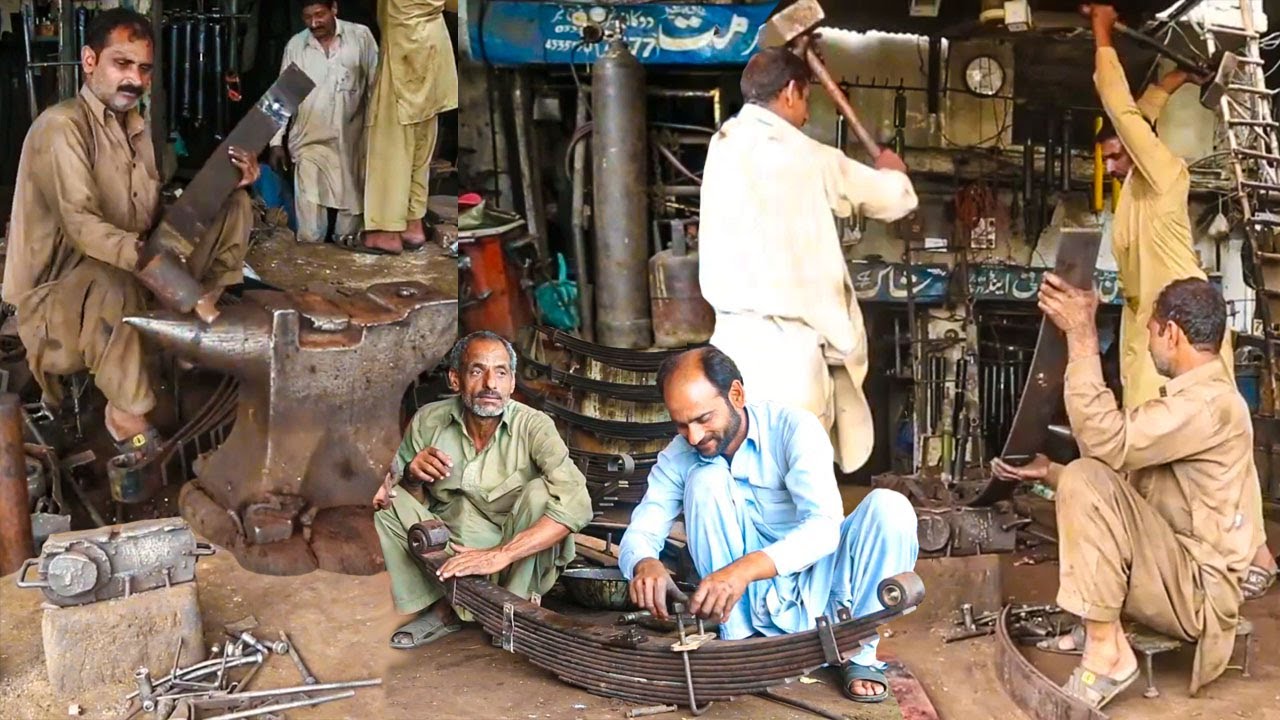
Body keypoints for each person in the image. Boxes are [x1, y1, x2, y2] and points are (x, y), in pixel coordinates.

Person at [992, 276, 1264, 709]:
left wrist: (1081, 336)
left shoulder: (1208, 405)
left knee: (1087, 473)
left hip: (1195, 594)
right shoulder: (1204, 401)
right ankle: (1100, 626)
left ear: (1170, 332)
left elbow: (1107, 442)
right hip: (1178, 574)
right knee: (1080, 476)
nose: (1150, 343)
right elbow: (1128, 499)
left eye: (1151, 331)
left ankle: (1108, 654)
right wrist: (1051, 473)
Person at [1083, 1, 1275, 601]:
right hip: (1147, 325)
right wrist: (1172, 80)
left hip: (1184, 326)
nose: (1112, 163)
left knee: (1142, 445)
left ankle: (1177, 565)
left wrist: (1102, 32)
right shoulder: (1132, 192)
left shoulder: (1164, 173)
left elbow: (1125, 113)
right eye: (1109, 156)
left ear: (1138, 149)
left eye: (1118, 154)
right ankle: (1233, 554)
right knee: (1150, 444)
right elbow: (1136, 114)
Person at [3, 8, 256, 463]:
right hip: (55, 307)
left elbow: (149, 215)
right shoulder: (61, 128)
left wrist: (222, 185)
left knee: (233, 205)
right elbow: (85, 230)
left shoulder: (135, 127)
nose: (134, 79)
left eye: (143, 68)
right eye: (122, 64)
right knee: (112, 277)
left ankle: (187, 340)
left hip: (129, 274)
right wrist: (180, 287)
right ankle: (125, 414)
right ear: (89, 61)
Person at [618, 347, 919, 704]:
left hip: (823, 589)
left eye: (703, 419)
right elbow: (641, 530)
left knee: (891, 507)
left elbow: (824, 527)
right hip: (740, 607)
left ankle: (857, 652)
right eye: (682, 424)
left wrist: (743, 571)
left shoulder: (794, 429)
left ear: (736, 395)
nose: (694, 437)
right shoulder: (680, 454)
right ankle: (742, 645)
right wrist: (645, 562)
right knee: (705, 480)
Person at [698, 47, 918, 476]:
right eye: (806, 101)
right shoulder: (804, 155)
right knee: (796, 486)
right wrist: (893, 170)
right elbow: (893, 200)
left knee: (739, 474)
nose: (805, 114)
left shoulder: (722, 146)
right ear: (792, 91)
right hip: (788, 355)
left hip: (730, 348)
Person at [373, 331, 593, 649]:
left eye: (501, 372)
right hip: (451, 551)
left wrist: (500, 555)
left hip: (512, 554)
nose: (490, 384)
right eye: (477, 371)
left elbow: (579, 504)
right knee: (388, 500)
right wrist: (412, 478)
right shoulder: (427, 421)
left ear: (512, 383)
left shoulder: (535, 427)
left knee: (542, 494)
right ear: (455, 379)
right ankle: (444, 607)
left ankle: (512, 611)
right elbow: (411, 502)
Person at [268, 1, 379, 244]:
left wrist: (379, 134)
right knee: (309, 230)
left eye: (319, 15)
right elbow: (282, 97)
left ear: (334, 9)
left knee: (350, 225)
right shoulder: (297, 46)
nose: (314, 23)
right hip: (309, 142)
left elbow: (376, 89)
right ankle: (309, 274)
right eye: (307, 17)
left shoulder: (360, 37)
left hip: (351, 142)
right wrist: (276, 142)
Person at [359, 0, 457, 255]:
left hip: (405, 48)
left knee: (390, 143)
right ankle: (412, 225)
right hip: (434, 46)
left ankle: (386, 232)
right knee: (421, 142)